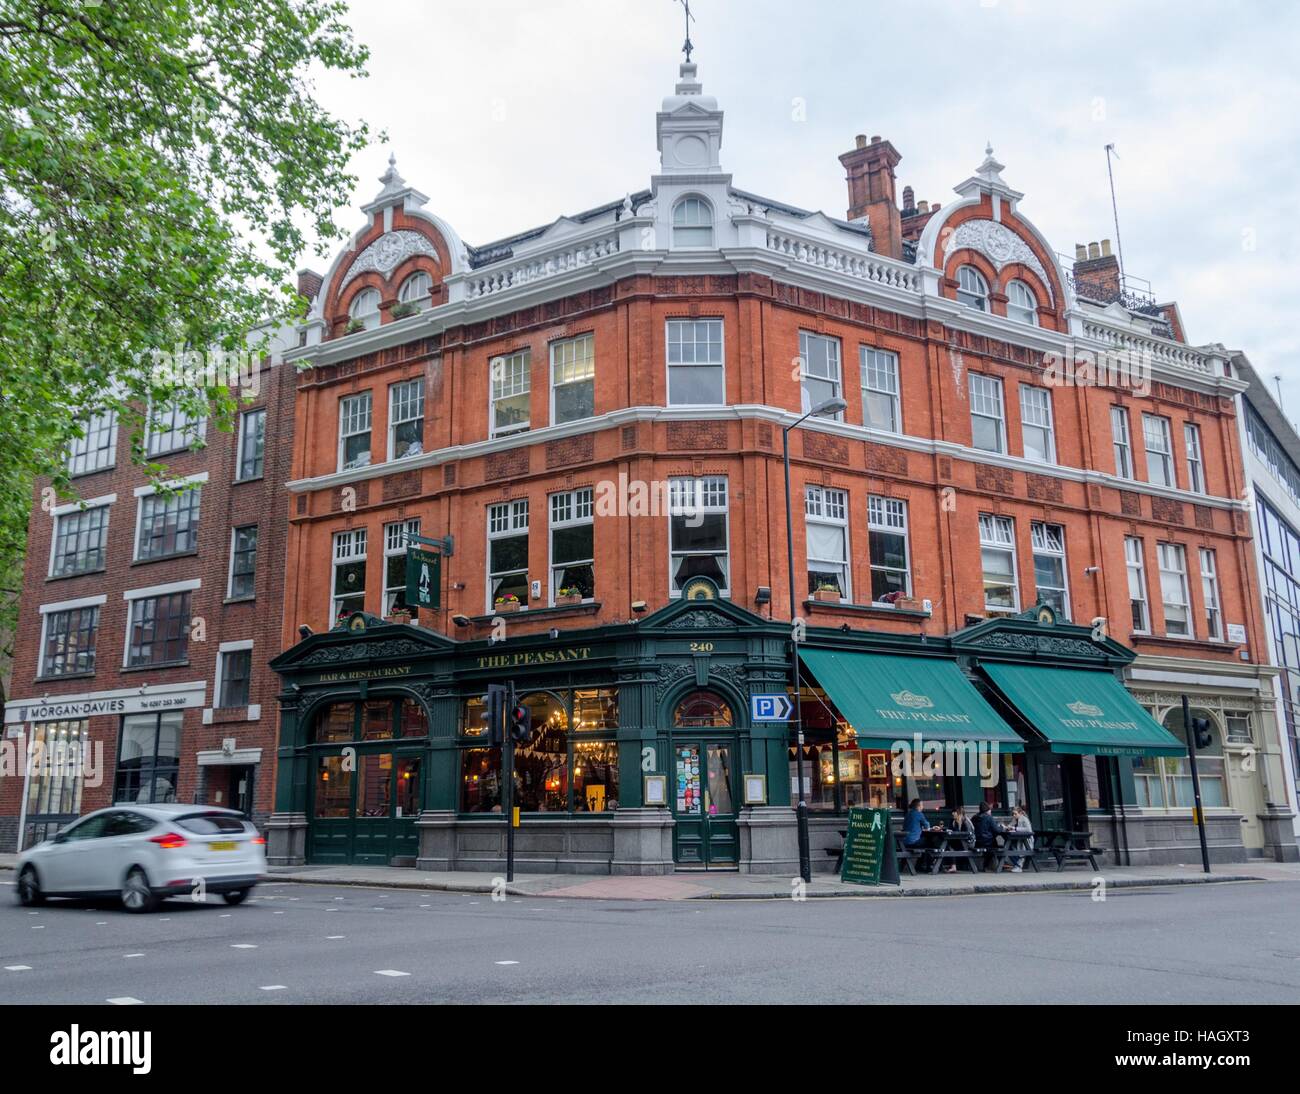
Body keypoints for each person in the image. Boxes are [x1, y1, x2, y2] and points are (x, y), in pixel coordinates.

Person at [972, 800, 1005, 871]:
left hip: (977, 842)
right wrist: (1002, 826)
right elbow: (997, 830)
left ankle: (987, 866)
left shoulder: (974, 817)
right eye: (990, 810)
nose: (991, 812)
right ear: (987, 810)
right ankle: (999, 865)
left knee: (992, 847)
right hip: (988, 842)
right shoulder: (989, 818)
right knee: (995, 847)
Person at [943, 806, 976, 873]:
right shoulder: (953, 821)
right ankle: (950, 865)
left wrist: (956, 830)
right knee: (947, 844)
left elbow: (968, 834)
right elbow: (950, 829)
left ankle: (953, 866)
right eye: (952, 815)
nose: (953, 817)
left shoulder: (966, 822)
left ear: (959, 814)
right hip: (959, 841)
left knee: (950, 845)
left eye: (954, 815)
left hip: (968, 843)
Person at [1004, 804, 1034, 872]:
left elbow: (1028, 830)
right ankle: (1017, 864)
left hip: (1025, 841)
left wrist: (1015, 828)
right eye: (1013, 814)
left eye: (1015, 814)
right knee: (1007, 845)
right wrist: (1007, 827)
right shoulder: (1015, 819)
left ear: (1020, 813)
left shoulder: (1024, 819)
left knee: (1009, 846)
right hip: (1017, 839)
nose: (1014, 815)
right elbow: (1010, 825)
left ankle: (1018, 865)